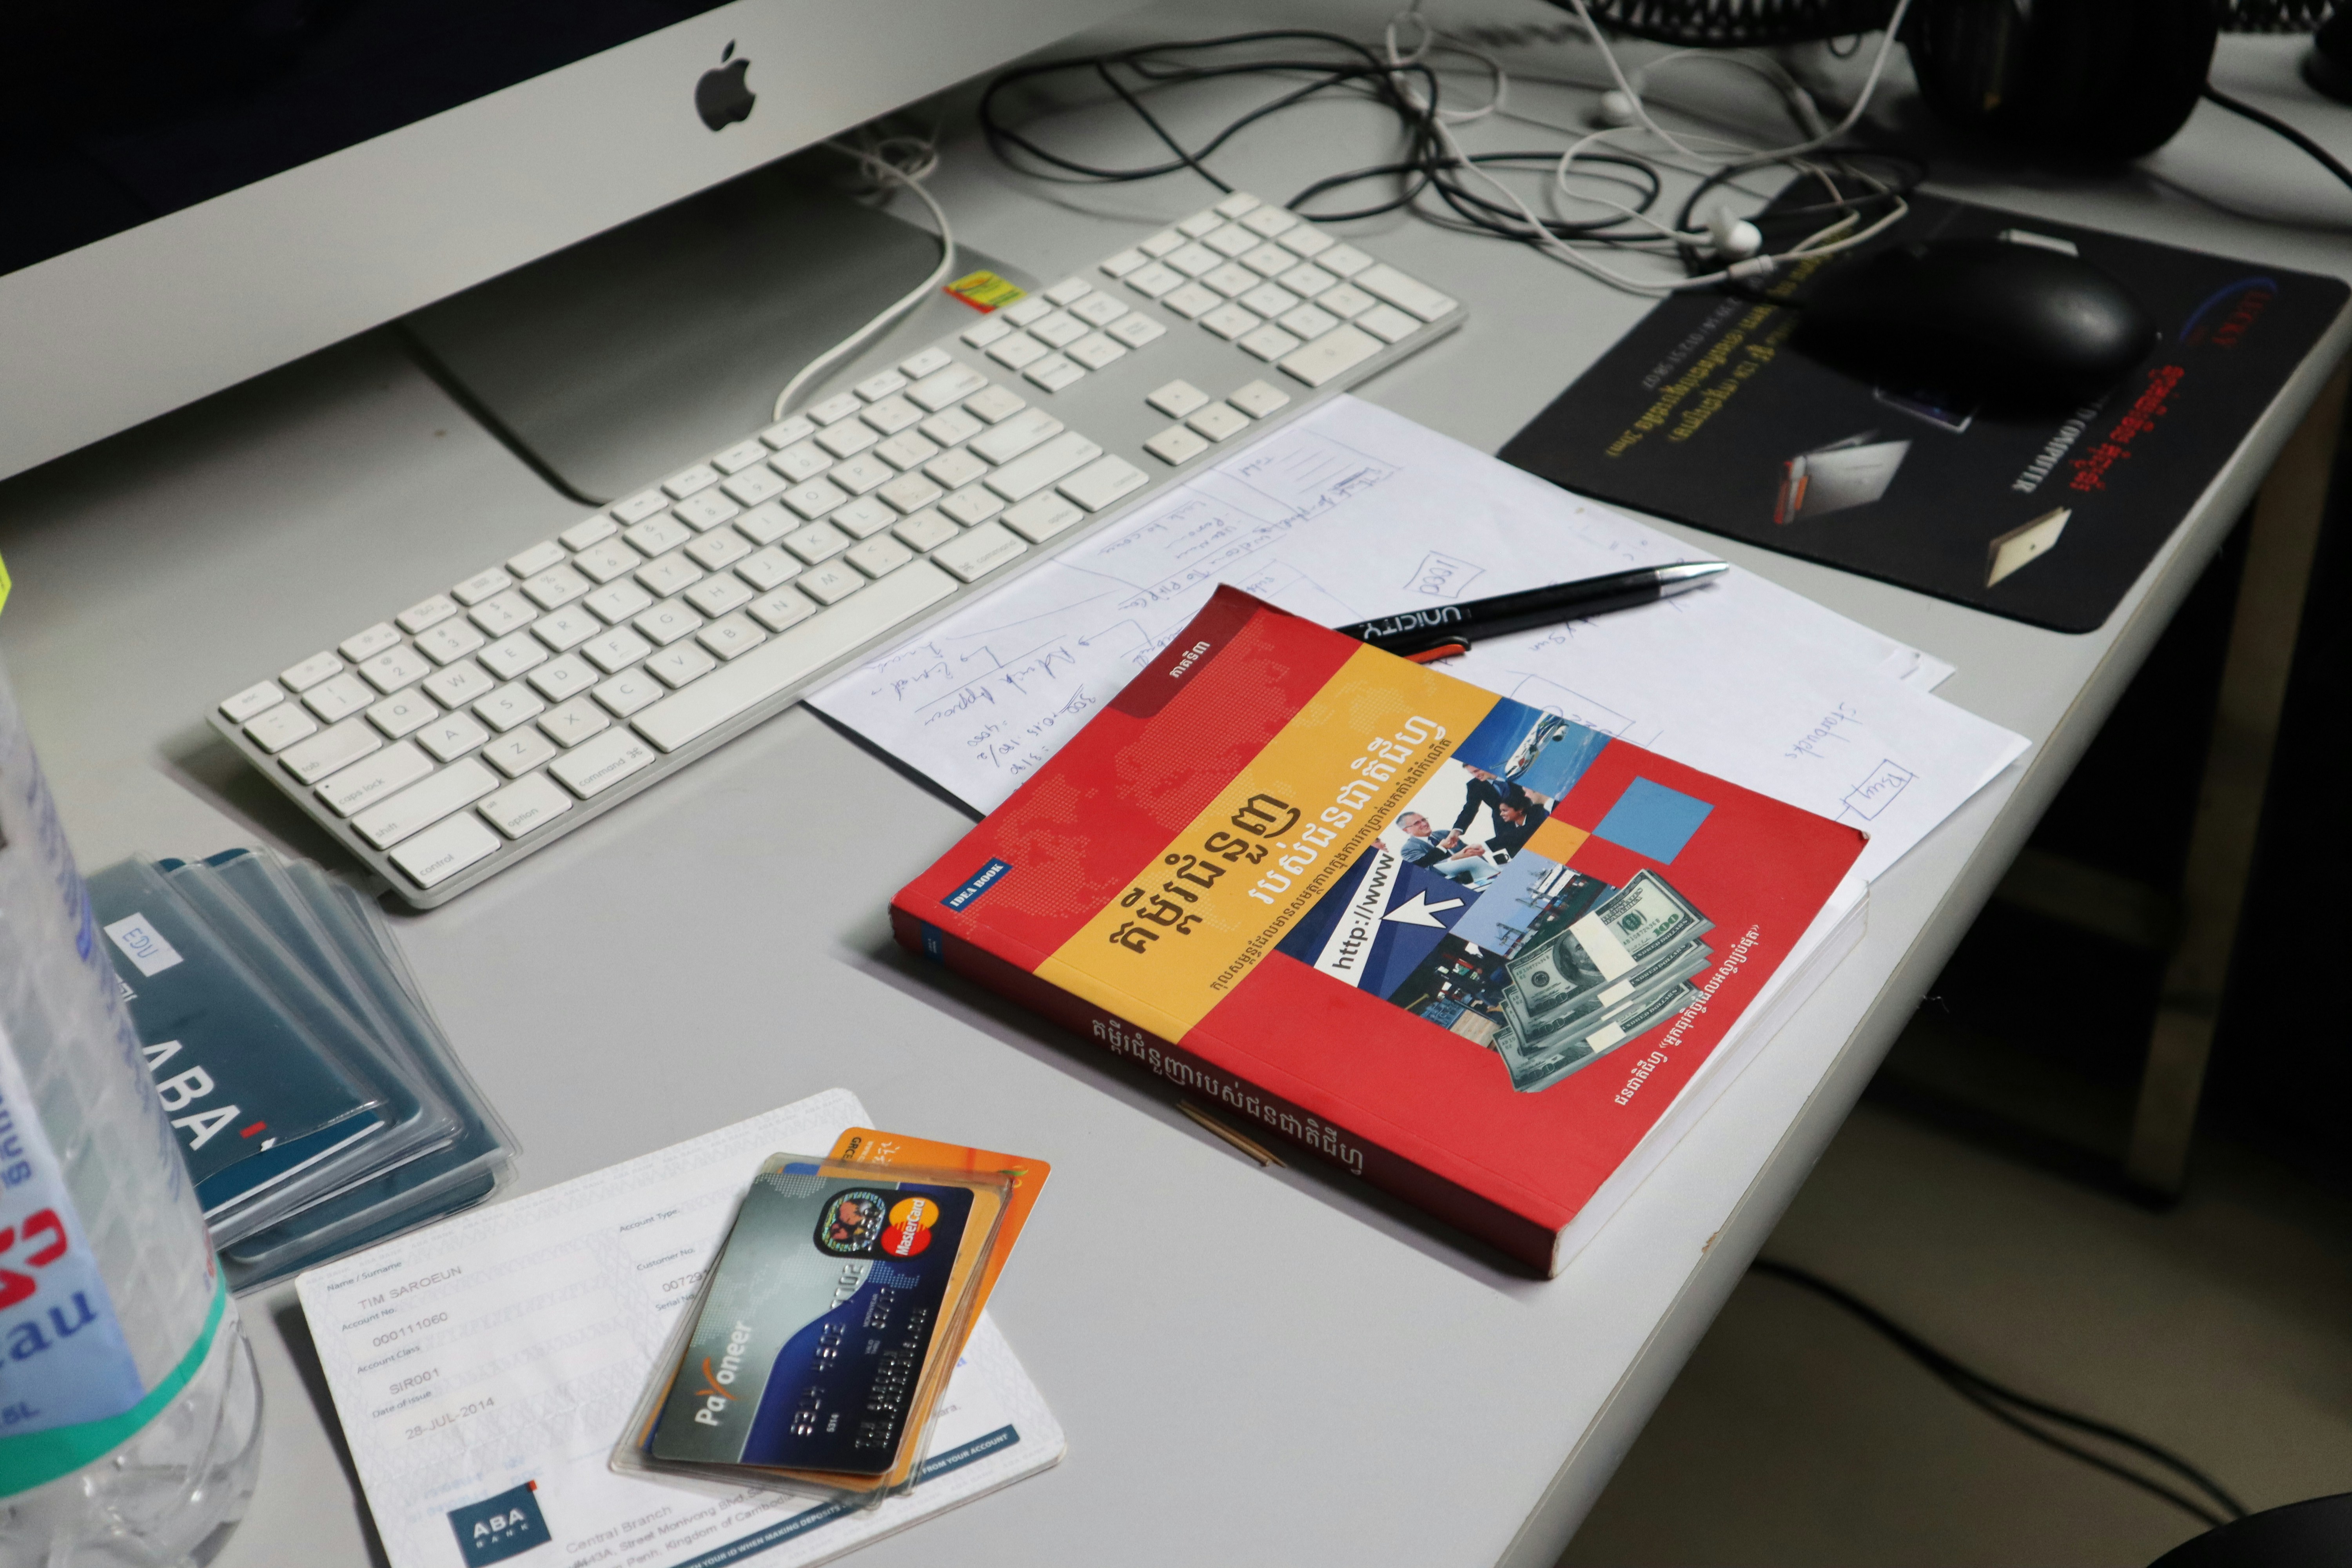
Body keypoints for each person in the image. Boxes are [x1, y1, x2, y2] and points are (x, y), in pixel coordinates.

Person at [1395, 811, 1497, 887]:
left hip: (1484, 878)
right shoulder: (1408, 849)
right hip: (1454, 888)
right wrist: (1455, 858)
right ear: (1406, 830)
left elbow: (1470, 853)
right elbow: (1429, 871)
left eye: (1424, 820)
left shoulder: (1445, 834)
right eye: (1417, 823)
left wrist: (1491, 872)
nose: (1424, 824)